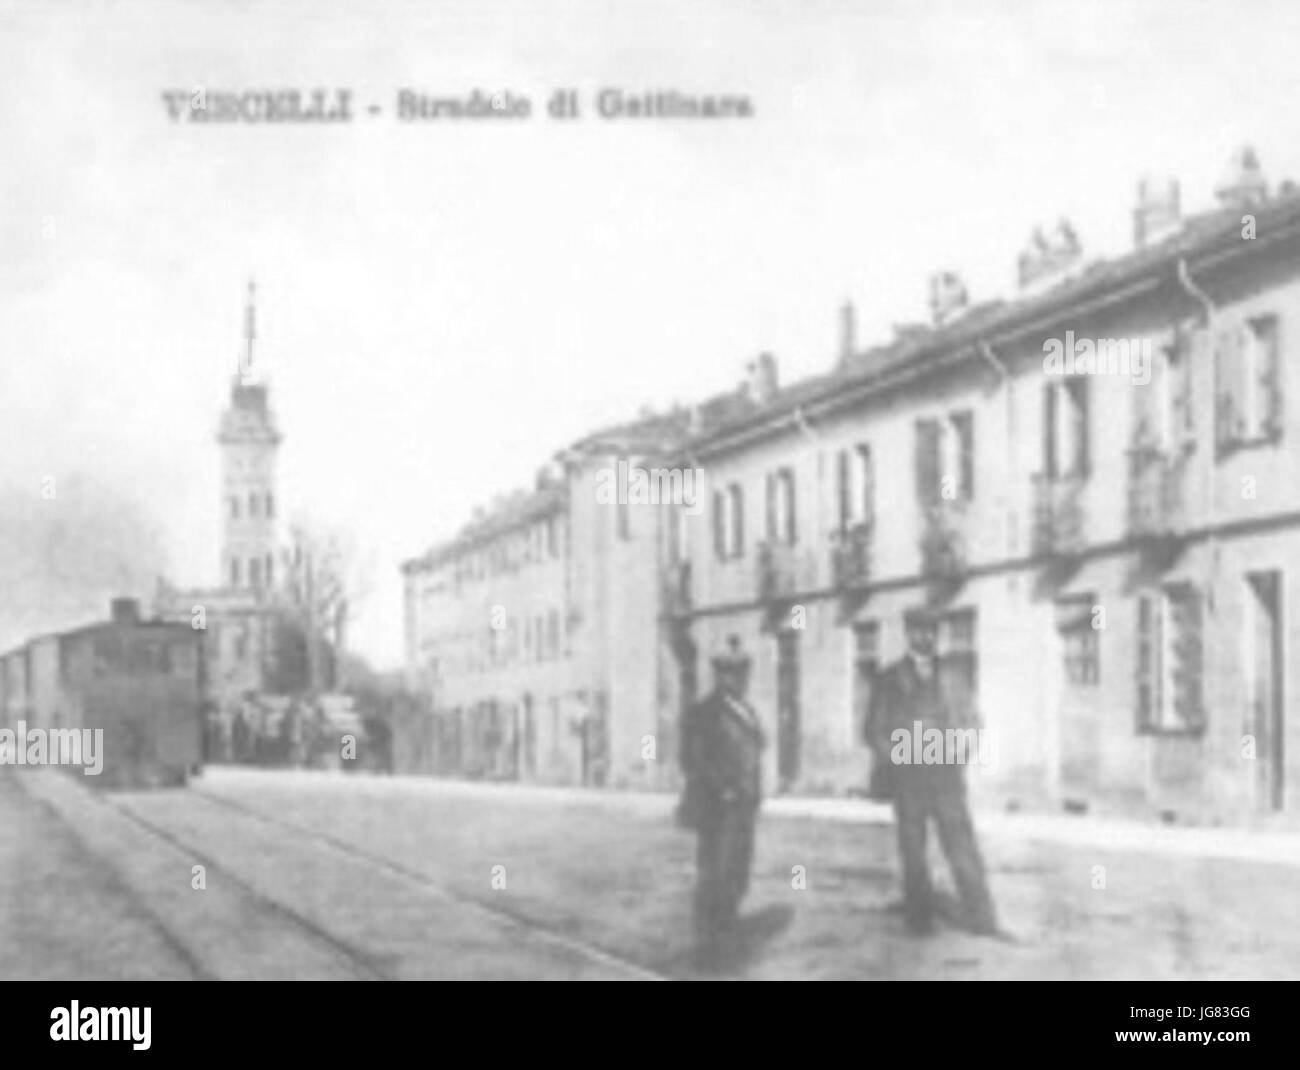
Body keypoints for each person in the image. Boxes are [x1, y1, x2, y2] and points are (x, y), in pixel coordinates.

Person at [866, 607, 998, 937]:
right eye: (918, 631)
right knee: (913, 849)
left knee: (961, 844)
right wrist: (898, 757)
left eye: (930, 631)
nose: (925, 638)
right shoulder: (889, 678)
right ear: (908, 633)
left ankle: (982, 917)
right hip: (909, 778)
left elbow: (973, 720)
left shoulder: (954, 674)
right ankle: (919, 918)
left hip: (947, 776)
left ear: (936, 634)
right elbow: (873, 729)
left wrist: (963, 748)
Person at [679, 634, 766, 968]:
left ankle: (724, 941)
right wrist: (723, 788)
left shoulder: (747, 711)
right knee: (715, 876)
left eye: (742, 671)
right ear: (718, 674)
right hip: (718, 809)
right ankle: (708, 950)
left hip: (743, 808)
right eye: (730, 671)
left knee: (738, 875)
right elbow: (692, 759)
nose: (737, 678)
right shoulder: (705, 712)